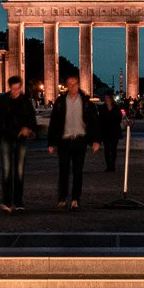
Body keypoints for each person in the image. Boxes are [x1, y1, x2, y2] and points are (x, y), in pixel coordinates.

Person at [47, 73, 101, 210]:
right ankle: (62, 199)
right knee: (63, 171)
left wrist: (95, 140)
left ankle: (76, 199)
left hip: (80, 140)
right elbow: (53, 123)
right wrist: (51, 142)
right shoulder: (60, 101)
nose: (72, 87)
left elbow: (94, 122)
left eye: (74, 84)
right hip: (64, 141)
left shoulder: (86, 102)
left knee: (78, 171)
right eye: (69, 85)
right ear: (66, 86)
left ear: (78, 85)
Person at [0, 75, 36, 213]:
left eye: (19, 88)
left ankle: (18, 202)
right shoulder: (2, 101)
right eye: (15, 88)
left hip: (21, 139)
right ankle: (6, 201)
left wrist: (28, 129)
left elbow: (32, 118)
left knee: (19, 171)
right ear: (10, 87)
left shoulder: (25, 101)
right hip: (6, 137)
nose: (17, 90)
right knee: (6, 171)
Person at [98, 93, 123, 172]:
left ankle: (112, 165)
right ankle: (108, 166)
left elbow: (119, 119)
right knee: (107, 150)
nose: (106, 100)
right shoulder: (102, 108)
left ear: (111, 99)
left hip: (114, 131)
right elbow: (100, 120)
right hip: (105, 132)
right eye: (105, 98)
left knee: (113, 150)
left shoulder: (116, 108)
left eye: (107, 98)